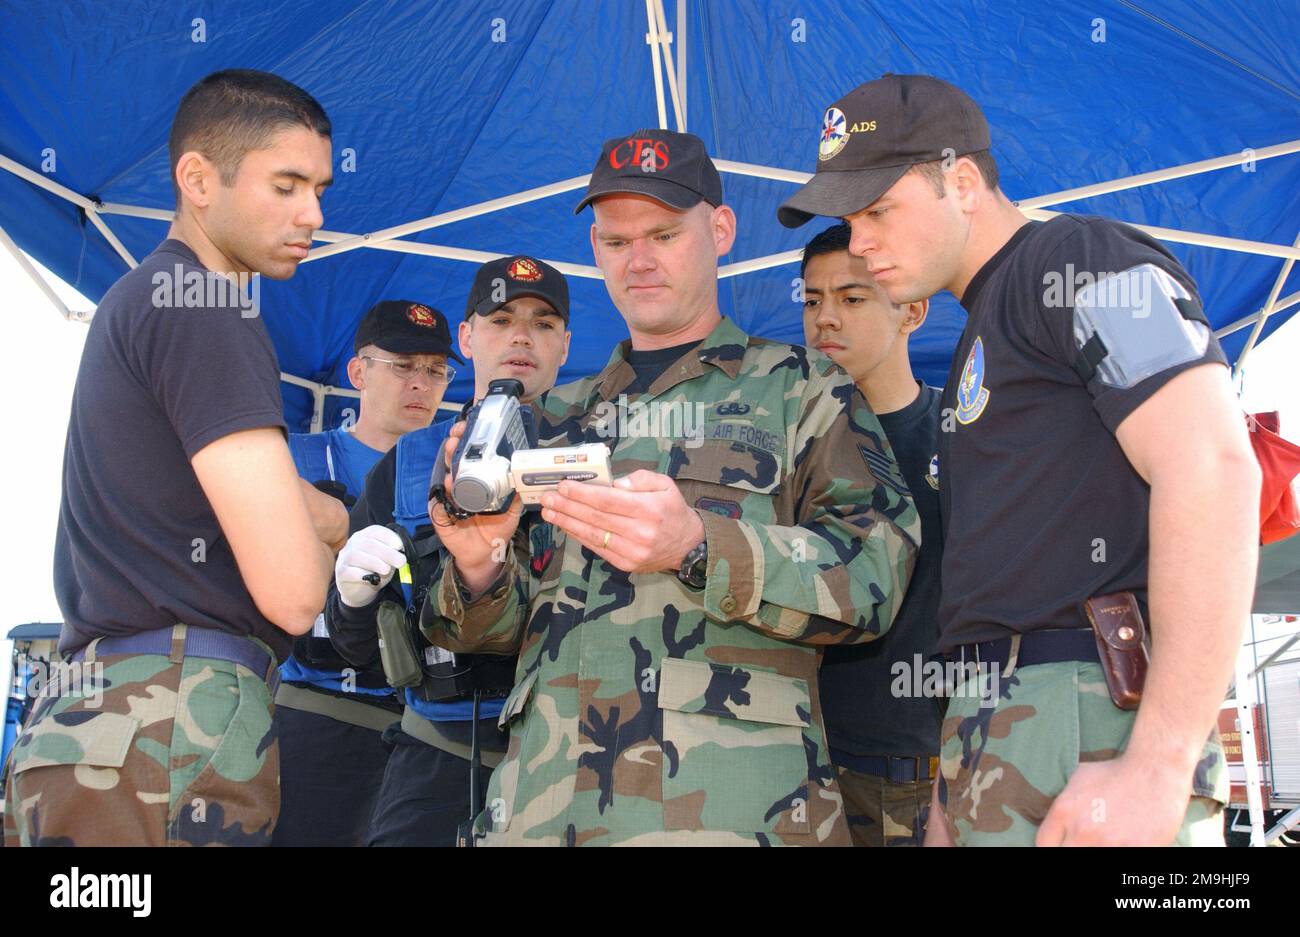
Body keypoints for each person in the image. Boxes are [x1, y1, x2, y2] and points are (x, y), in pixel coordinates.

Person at [778, 73, 1257, 846]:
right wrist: (953, 794)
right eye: (849, 218)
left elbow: (1212, 467)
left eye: (877, 211)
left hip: (1091, 717)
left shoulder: (1082, 258)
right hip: (994, 736)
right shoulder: (982, 331)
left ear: (962, 182)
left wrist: (1160, 765)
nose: (859, 243)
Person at [418, 128, 920, 846]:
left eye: (663, 233)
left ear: (720, 231)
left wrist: (698, 544)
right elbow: (486, 634)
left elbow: (877, 576)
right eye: (617, 242)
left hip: (725, 813)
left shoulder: (803, 390)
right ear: (595, 250)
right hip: (542, 808)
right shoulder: (552, 417)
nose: (640, 261)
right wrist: (477, 563)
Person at [4, 68, 345, 846]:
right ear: (197, 177)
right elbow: (294, 595)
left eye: (320, 187)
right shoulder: (211, 307)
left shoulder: (145, 297)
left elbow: (186, 481)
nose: (315, 214)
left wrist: (305, 503)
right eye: (287, 185)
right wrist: (334, 540)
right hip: (166, 722)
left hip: (96, 724)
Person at [326, 255, 570, 845]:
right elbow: (354, 648)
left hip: (567, 758)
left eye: (542, 323)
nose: (520, 335)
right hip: (435, 754)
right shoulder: (410, 462)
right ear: (467, 338)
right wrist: (353, 596)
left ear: (565, 344)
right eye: (500, 319)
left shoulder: (597, 450)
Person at [272, 299, 461, 846]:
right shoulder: (298, 459)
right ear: (358, 372)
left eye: (434, 370)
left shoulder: (457, 470)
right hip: (319, 712)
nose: (421, 384)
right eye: (402, 366)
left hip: (424, 729)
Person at [800, 222, 944, 847]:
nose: (825, 319)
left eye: (852, 298)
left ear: (911, 309)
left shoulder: (965, 438)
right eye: (812, 300)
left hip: (920, 773)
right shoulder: (784, 447)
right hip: (792, 766)